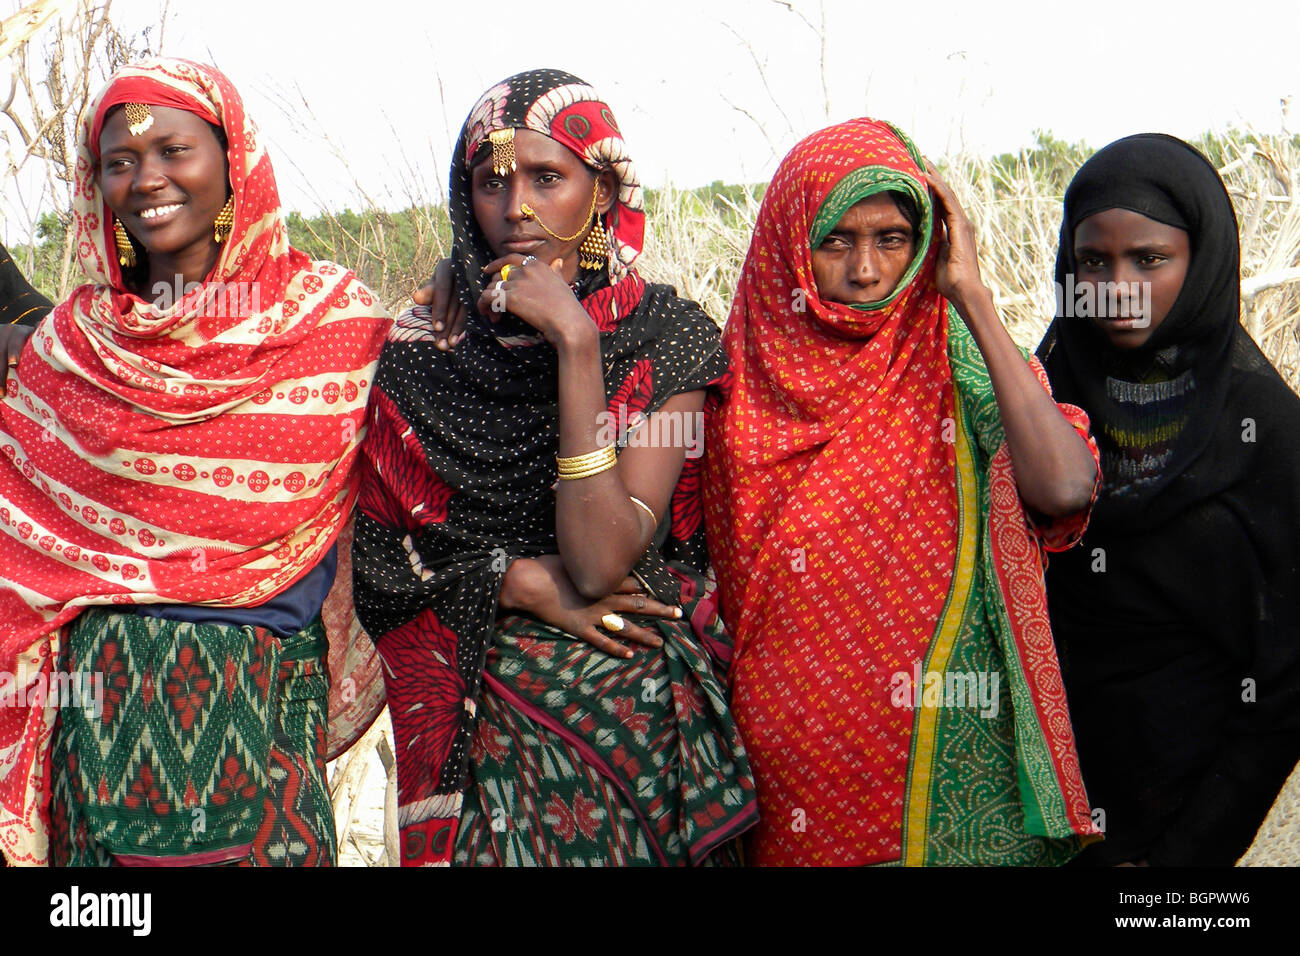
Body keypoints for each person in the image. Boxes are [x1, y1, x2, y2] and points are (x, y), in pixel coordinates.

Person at [352, 68, 757, 867]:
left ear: (603, 191)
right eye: (490, 184)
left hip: (640, 734)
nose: (519, 211)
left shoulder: (666, 336)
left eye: (549, 178)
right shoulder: (417, 358)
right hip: (481, 747)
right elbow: (379, 565)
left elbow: (605, 558)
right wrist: (521, 582)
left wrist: (576, 345)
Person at [0, 58, 389, 867]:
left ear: (233, 158)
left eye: (173, 151)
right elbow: (18, 563)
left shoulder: (331, 327)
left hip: (267, 717)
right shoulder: (70, 350)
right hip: (97, 733)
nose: (146, 180)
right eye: (119, 162)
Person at [703, 118, 1102, 866]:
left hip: (947, 752)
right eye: (836, 241)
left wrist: (973, 297)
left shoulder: (958, 358)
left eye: (890, 238)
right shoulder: (729, 383)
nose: (865, 270)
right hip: (789, 783)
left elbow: (1066, 485)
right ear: (789, 240)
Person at [1038, 134, 1300, 866]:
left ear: (1204, 258)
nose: (1117, 287)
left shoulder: (1266, 434)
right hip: (1042, 809)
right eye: (1094, 261)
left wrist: (1185, 860)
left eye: (1149, 260)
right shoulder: (1043, 401)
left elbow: (1284, 685)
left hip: (1181, 818)